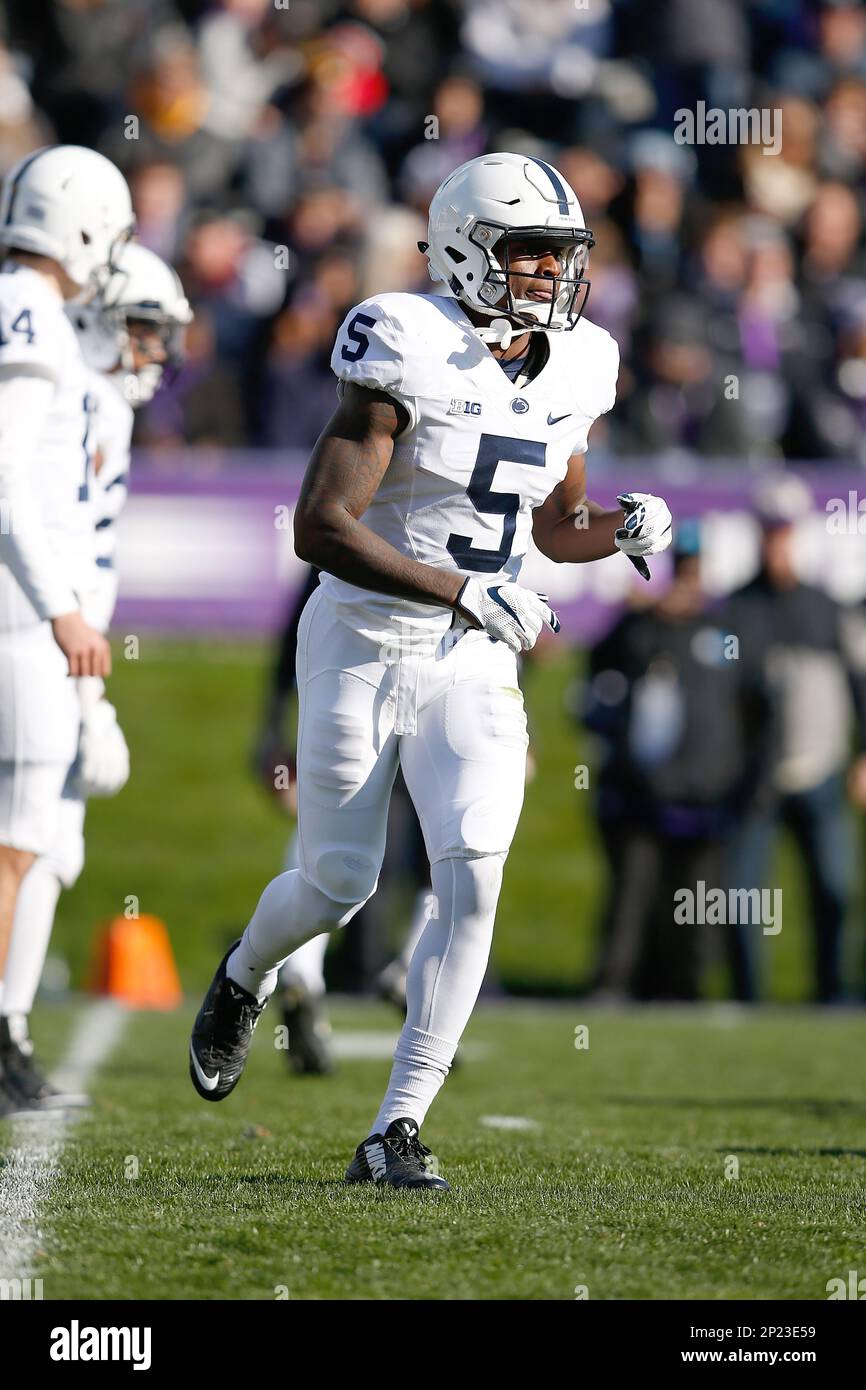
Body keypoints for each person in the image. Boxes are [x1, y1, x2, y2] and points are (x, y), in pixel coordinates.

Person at [189, 151, 673, 1190]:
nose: (551, 274)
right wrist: (461, 591)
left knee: (474, 871)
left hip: (472, 661)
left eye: (562, 255)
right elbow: (321, 526)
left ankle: (395, 1127)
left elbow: (555, 523)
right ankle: (244, 973)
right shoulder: (405, 337)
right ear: (464, 249)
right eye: (529, 252)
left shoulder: (580, 362)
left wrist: (619, 526)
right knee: (338, 882)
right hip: (363, 641)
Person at [0, 243, 192, 1110]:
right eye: (141, 328)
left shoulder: (99, 398)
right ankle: (7, 1031)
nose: (152, 350)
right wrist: (85, 688)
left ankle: (11, 1031)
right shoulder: (65, 387)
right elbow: (48, 529)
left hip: (58, 631)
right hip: (34, 627)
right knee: (28, 838)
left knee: (50, 845)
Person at [0, 145, 134, 1117]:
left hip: (23, 603)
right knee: (14, 845)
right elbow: (6, 480)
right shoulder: (34, 312)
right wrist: (62, 607)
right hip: (18, 612)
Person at [725, 478, 866, 1002]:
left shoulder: (825, 607)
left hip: (820, 767)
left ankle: (831, 992)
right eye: (768, 531)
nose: (776, 543)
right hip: (756, 775)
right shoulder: (738, 607)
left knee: (833, 887)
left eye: (783, 531)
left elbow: (858, 684)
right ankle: (748, 998)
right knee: (742, 894)